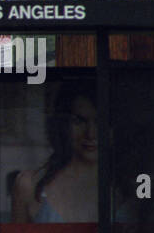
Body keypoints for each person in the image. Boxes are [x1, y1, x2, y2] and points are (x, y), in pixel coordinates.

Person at [9, 81, 98, 224]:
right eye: (79, 121)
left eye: (100, 122)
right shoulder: (29, 185)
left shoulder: (131, 186)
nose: (91, 133)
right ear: (63, 125)